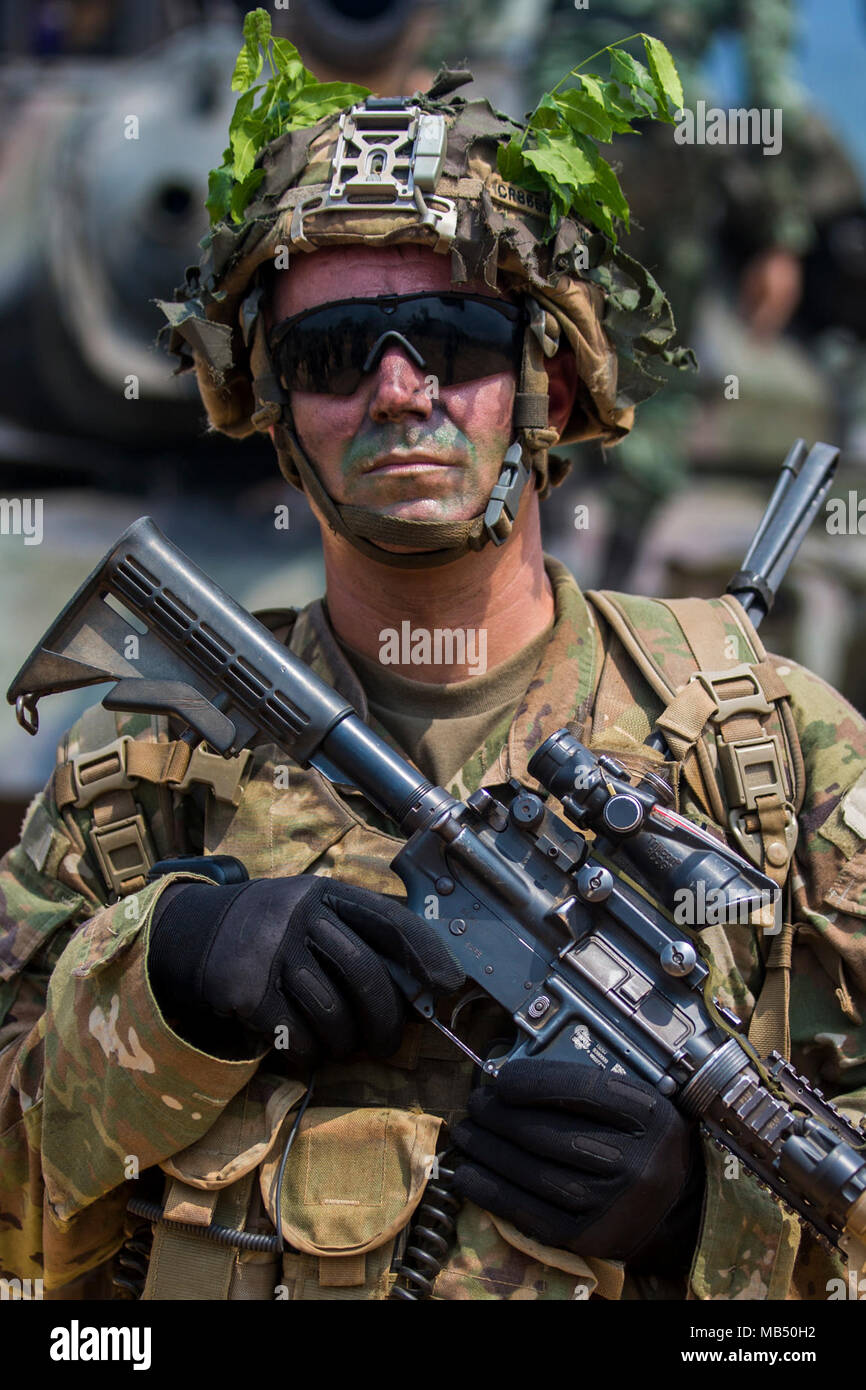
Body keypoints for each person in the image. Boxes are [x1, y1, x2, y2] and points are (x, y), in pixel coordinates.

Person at [1, 64, 865, 1305]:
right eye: (337, 352)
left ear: (547, 385)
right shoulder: (138, 772)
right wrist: (161, 981)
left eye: (453, 343)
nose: (398, 392)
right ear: (275, 407)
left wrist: (700, 1221)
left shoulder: (775, 750)